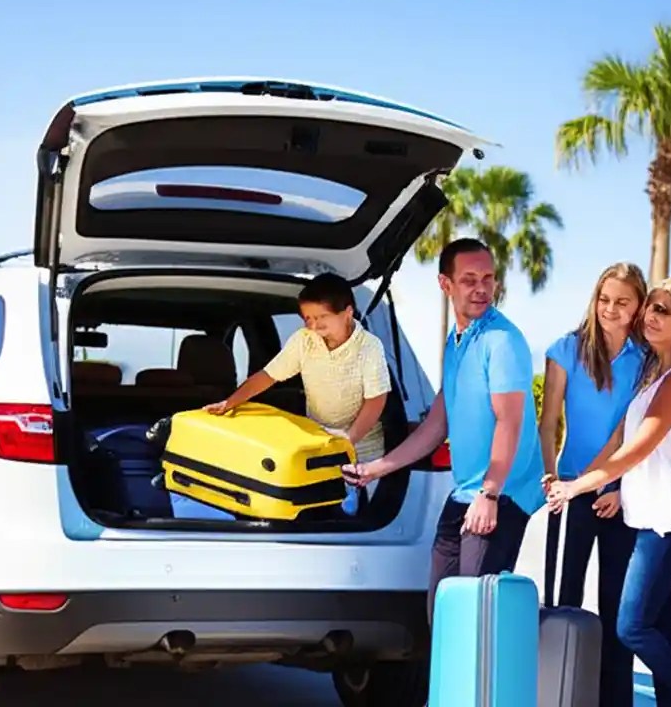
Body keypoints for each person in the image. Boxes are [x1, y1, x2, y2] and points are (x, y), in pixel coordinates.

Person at [343, 237, 544, 618]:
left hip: (501, 494)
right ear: (445, 284)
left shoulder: (502, 341)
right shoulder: (457, 343)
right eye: (469, 279)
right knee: (442, 609)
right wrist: (375, 469)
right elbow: (437, 424)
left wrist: (489, 493)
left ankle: (482, 681)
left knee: (476, 615)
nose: (482, 288)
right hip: (466, 492)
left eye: (488, 277)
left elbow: (510, 420)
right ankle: (446, 679)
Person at [544, 277, 671, 707]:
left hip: (670, 522)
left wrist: (581, 485)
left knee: (631, 626)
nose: (650, 317)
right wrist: (579, 479)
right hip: (648, 519)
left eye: (663, 311)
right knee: (660, 622)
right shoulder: (654, 374)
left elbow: (635, 452)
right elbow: (618, 439)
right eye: (652, 308)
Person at [539, 262, 648, 707]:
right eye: (604, 299)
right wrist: (552, 476)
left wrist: (618, 488)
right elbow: (548, 423)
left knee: (617, 613)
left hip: (623, 497)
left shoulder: (647, 360)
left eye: (622, 302)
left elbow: (639, 435)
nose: (610, 309)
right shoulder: (566, 349)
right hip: (571, 491)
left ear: (638, 305)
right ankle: (563, 696)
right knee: (565, 603)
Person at [206, 272, 392, 511]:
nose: (313, 325)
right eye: (307, 318)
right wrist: (230, 402)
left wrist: (348, 439)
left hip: (361, 450)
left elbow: (376, 400)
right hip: (317, 443)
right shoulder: (304, 340)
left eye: (321, 317)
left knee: (352, 513)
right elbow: (268, 376)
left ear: (347, 312)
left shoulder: (369, 347)